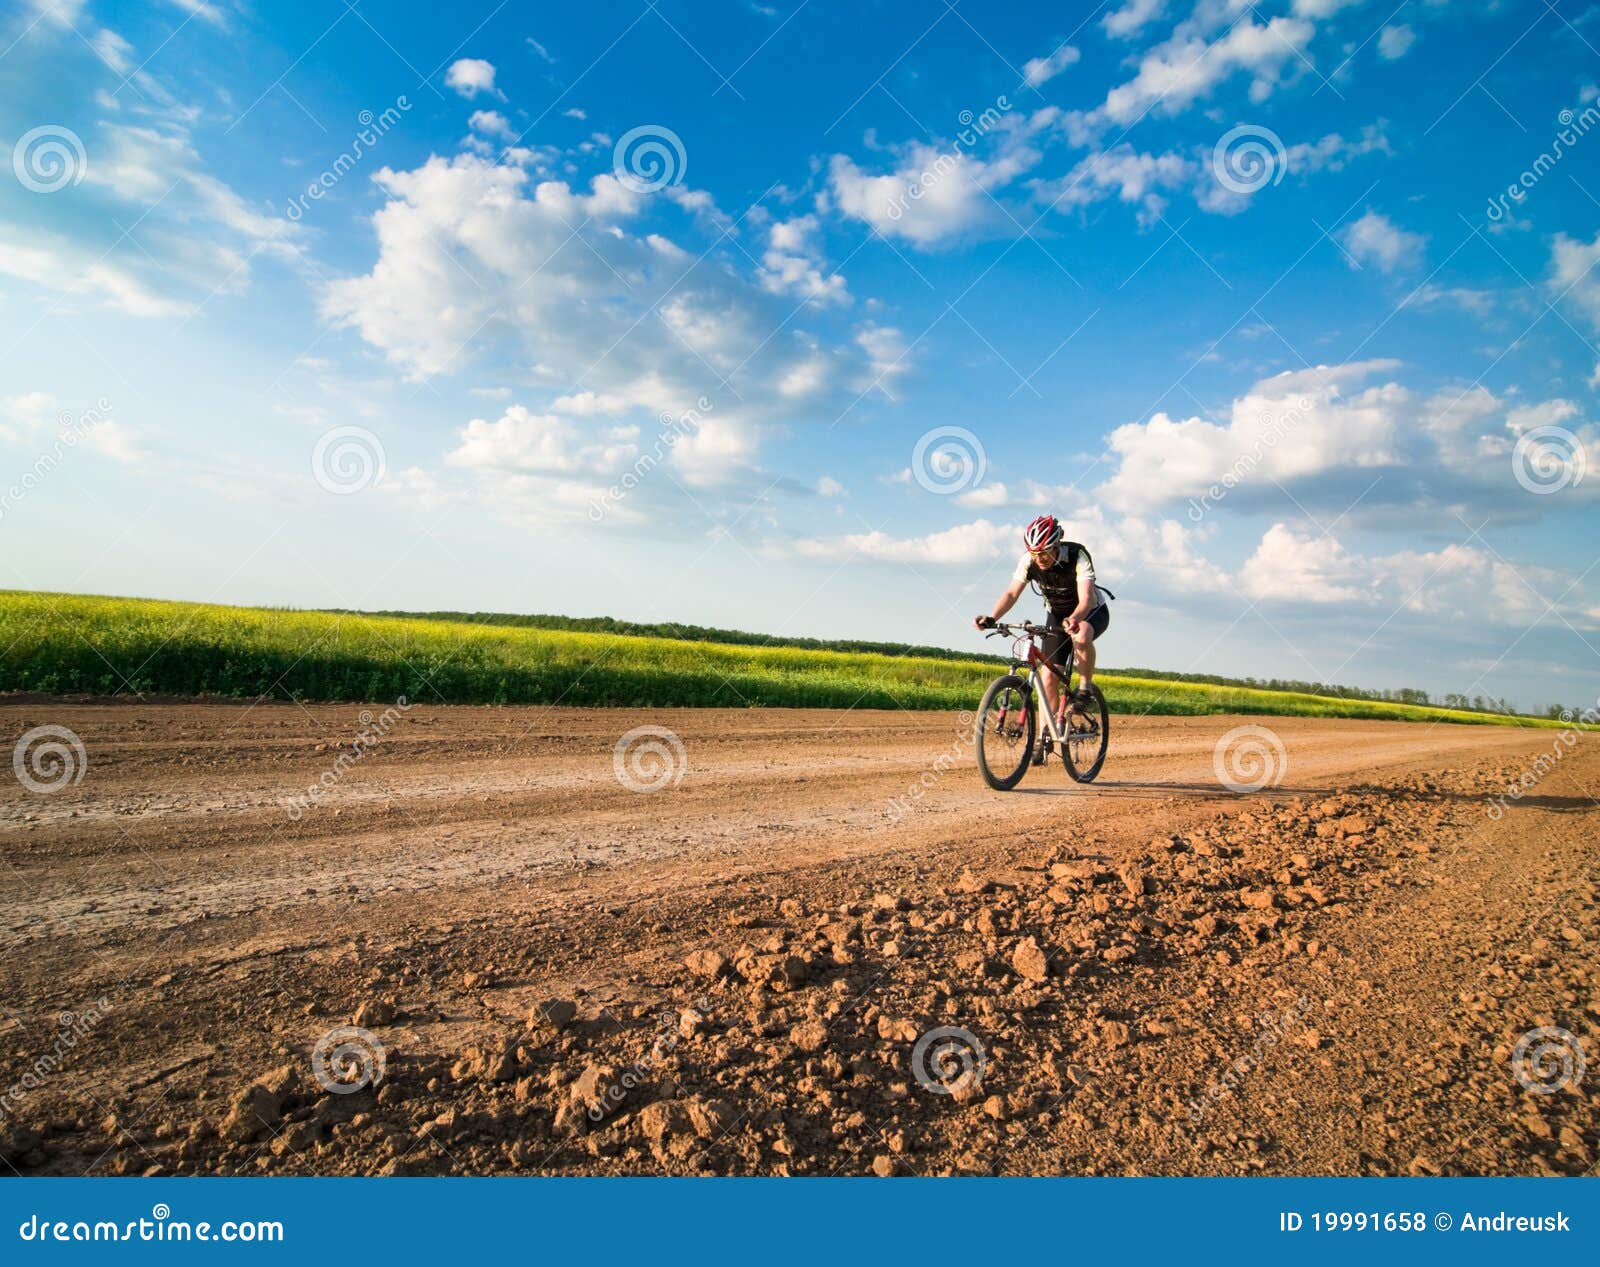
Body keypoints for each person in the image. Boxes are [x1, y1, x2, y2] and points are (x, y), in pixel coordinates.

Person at [974, 514, 1110, 764]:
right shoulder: (1029, 560)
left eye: (1045, 553)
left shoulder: (1077, 556)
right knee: (1047, 677)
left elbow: (1087, 599)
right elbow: (1012, 593)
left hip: (1090, 611)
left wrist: (1075, 618)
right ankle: (1045, 736)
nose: (1040, 559)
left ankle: (1084, 689)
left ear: (1057, 545)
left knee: (1081, 635)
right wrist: (992, 617)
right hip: (1057, 615)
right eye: (1035, 554)